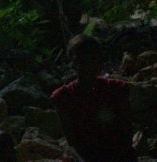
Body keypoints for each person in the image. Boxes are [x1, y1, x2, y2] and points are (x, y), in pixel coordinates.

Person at [51, 34, 135, 162]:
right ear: (74, 63)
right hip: (88, 156)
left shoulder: (117, 89)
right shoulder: (63, 97)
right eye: (84, 60)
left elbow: (126, 131)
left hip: (119, 154)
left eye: (94, 59)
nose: (90, 65)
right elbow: (73, 141)